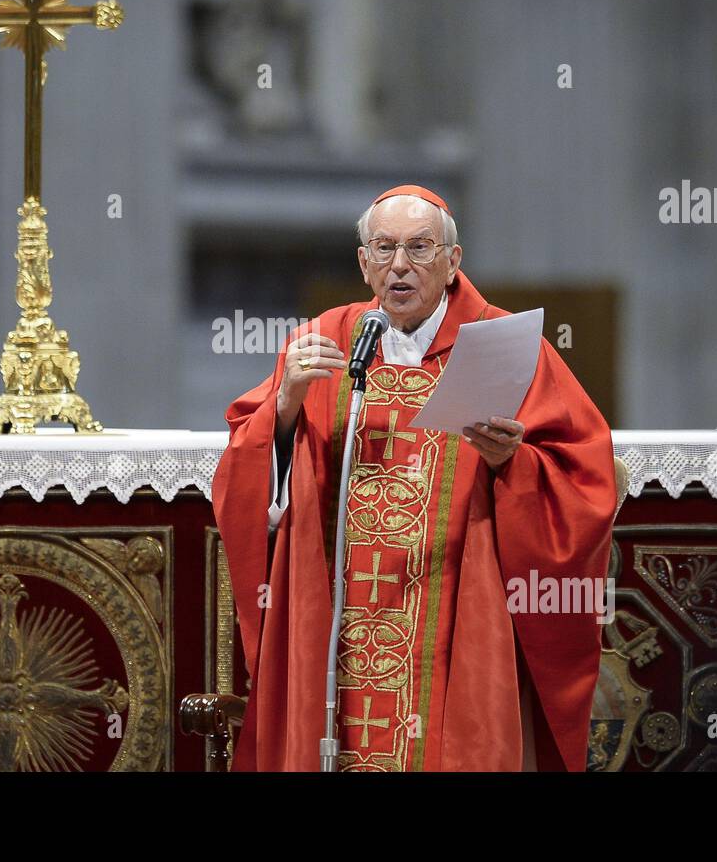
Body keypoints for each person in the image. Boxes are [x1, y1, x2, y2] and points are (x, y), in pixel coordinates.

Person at [212, 184, 618, 771]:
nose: (399, 266)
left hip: (456, 614)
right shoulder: (325, 341)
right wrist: (285, 409)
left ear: (453, 262)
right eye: (384, 248)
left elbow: (583, 477)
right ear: (363, 261)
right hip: (340, 620)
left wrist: (514, 464)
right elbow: (244, 474)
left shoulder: (502, 345)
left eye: (420, 248)